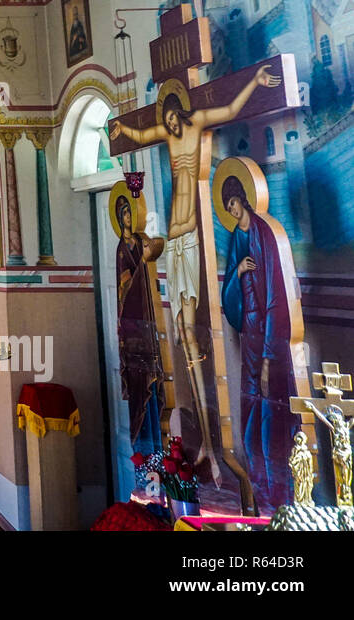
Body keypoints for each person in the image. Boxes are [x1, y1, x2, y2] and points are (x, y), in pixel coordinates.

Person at [110, 64, 281, 479]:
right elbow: (140, 132)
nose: (169, 120)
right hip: (175, 231)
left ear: (182, 110)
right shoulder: (166, 134)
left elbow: (227, 107)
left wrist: (254, 83)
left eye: (172, 113)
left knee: (202, 328)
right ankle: (204, 441)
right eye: (165, 116)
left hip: (194, 235)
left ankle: (218, 445)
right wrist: (121, 130)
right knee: (186, 333)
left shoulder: (198, 123)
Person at [220, 173, 298, 509]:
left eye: (233, 202)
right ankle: (258, 483)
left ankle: (280, 487)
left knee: (271, 407)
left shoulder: (266, 233)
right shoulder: (237, 236)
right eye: (226, 206)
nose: (232, 209)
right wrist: (237, 273)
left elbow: (276, 295)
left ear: (243, 198)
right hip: (249, 332)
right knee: (250, 404)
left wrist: (268, 354)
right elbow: (228, 294)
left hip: (269, 334)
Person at [114, 195, 166, 450]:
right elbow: (124, 288)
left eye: (128, 213)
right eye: (123, 214)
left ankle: (156, 444)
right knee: (139, 385)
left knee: (154, 383)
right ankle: (142, 447)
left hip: (148, 321)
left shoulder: (139, 241)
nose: (127, 218)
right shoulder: (121, 249)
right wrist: (142, 262)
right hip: (133, 324)